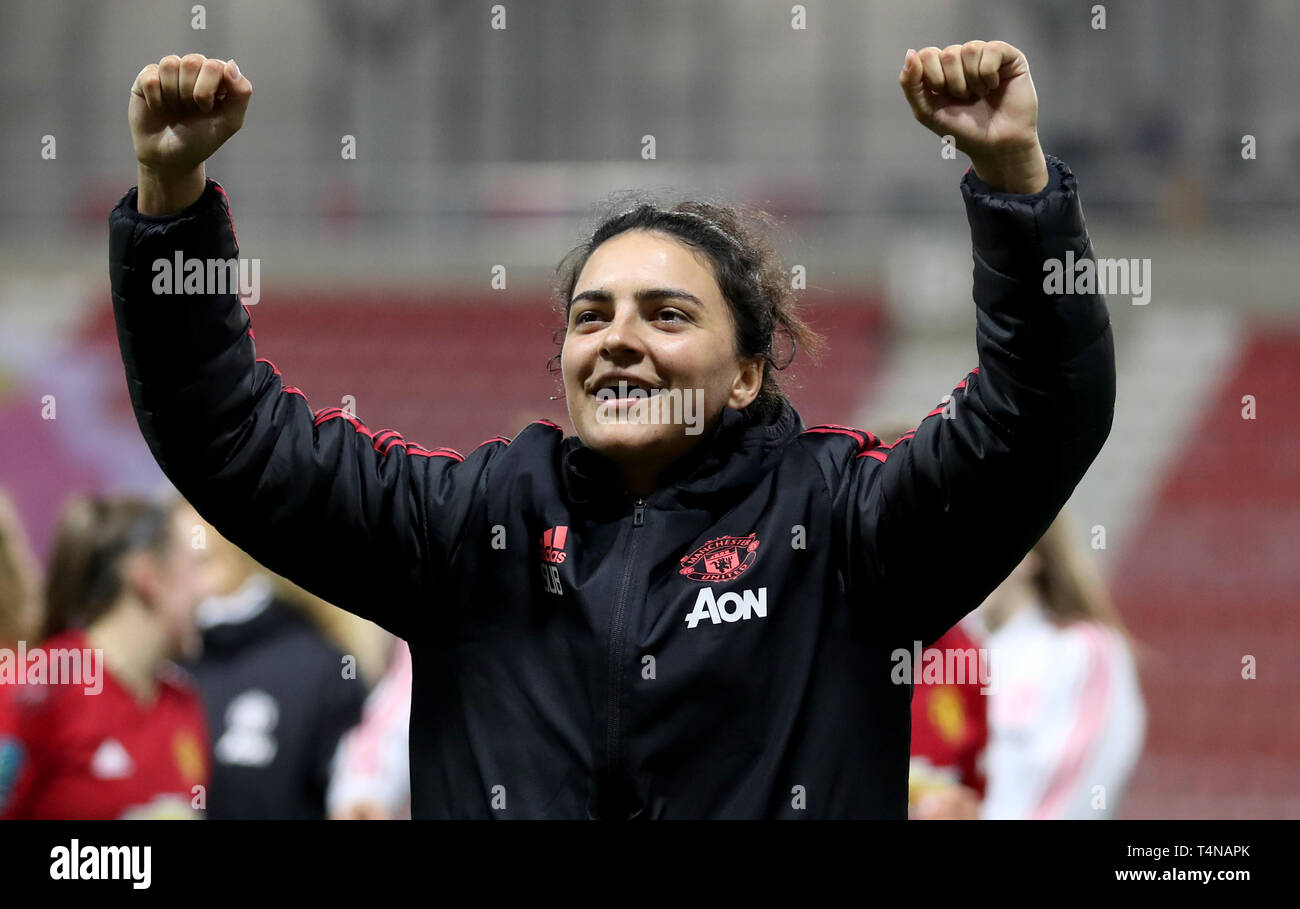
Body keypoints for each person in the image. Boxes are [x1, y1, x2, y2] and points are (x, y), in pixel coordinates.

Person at [109, 42, 1115, 818]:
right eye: (591, 318)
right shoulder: (472, 527)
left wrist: (1013, 180)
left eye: (666, 316)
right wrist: (171, 203)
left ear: (747, 373)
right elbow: (232, 439)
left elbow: (1040, 412)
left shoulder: (847, 530)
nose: (618, 341)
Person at [0, 496, 211, 819]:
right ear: (149, 578)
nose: (204, 590)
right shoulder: (39, 687)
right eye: (195, 569)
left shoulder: (184, 703)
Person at [188, 518, 367, 819]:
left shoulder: (322, 668)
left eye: (201, 562)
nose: (184, 580)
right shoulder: (167, 666)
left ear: (240, 558)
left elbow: (354, 791)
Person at [974, 510, 1145, 819]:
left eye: (975, 542)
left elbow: (1078, 787)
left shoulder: (1083, 651)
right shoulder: (957, 658)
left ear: (1026, 552)